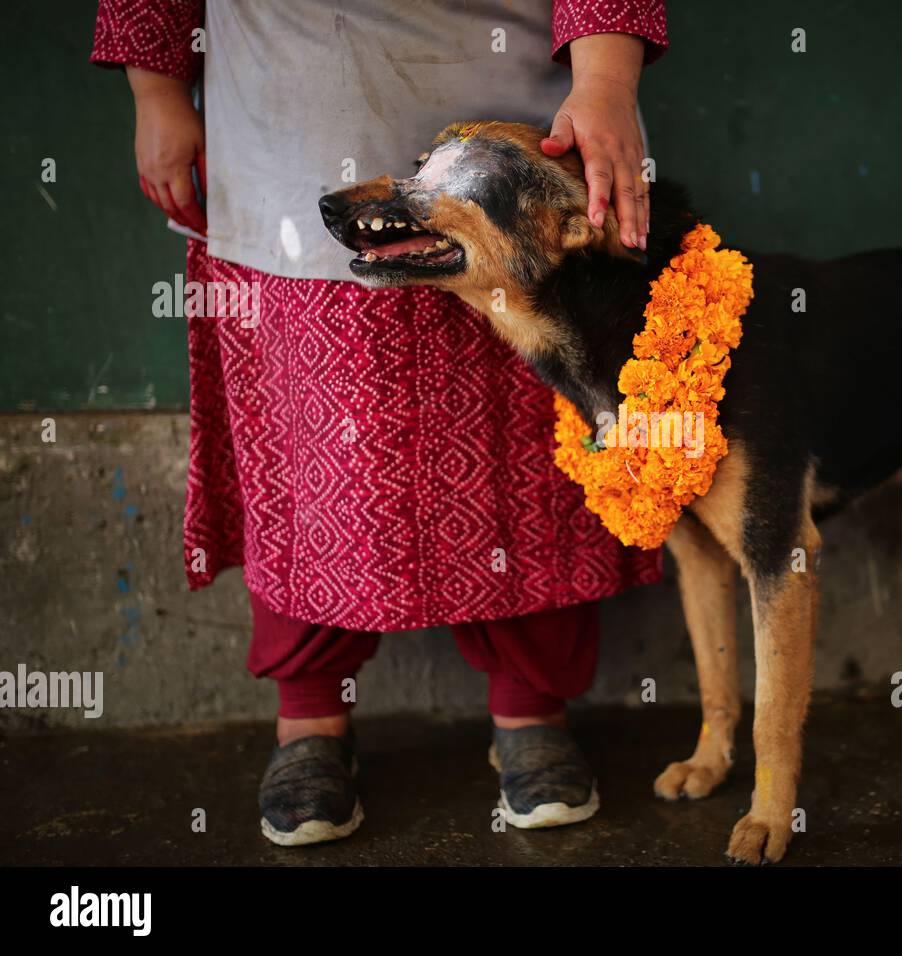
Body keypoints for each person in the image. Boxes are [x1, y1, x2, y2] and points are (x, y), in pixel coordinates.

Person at [91, 0, 667, 846]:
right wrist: (156, 90)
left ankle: (531, 710)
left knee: (524, 458)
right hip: (291, 104)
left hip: (516, 123)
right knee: (313, 452)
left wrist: (609, 81)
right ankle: (310, 719)